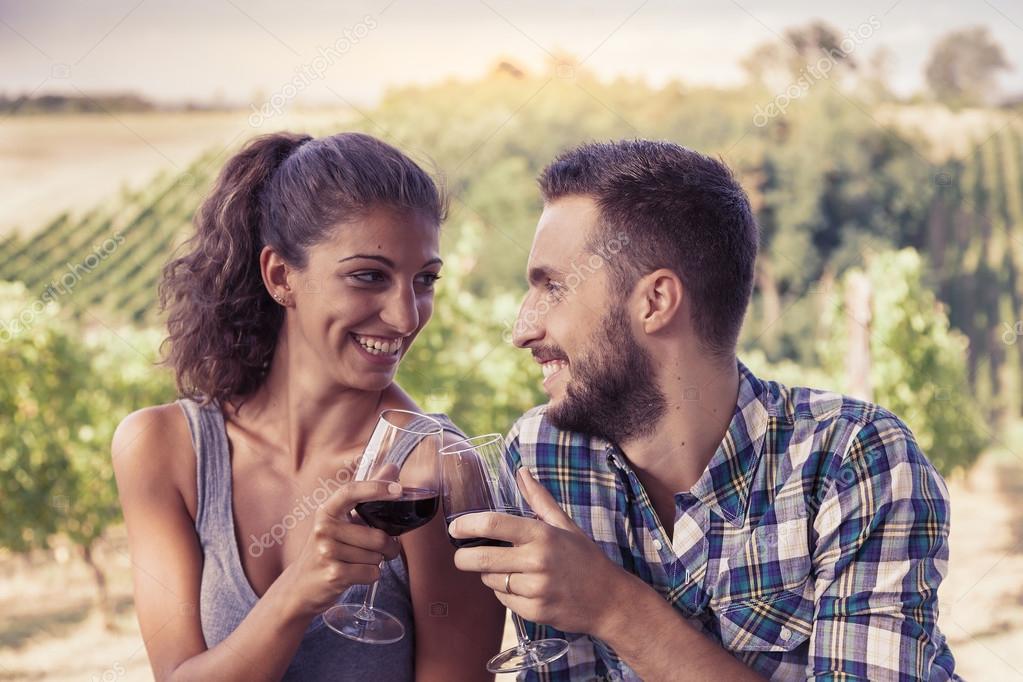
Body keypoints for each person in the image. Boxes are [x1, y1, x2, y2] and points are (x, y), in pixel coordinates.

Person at [449, 140, 960, 681]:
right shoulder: (542, 457)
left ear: (655, 302)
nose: (522, 329)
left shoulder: (855, 459)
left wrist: (612, 607)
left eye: (554, 287)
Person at [112, 131, 504, 681]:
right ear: (281, 277)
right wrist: (299, 590)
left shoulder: (433, 472)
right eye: (369, 276)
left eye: (424, 281)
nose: (406, 317)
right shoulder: (163, 449)